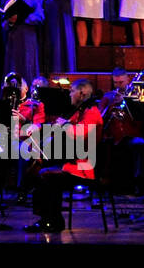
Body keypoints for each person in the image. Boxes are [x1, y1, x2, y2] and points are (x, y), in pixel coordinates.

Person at [25, 78, 102, 233]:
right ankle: (48, 219)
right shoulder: (80, 112)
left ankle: (51, 220)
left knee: (46, 176)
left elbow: (78, 134)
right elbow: (62, 127)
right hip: (75, 161)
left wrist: (64, 125)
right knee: (40, 169)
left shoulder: (91, 113)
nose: (70, 94)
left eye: (72, 91)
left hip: (84, 168)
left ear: (82, 93)